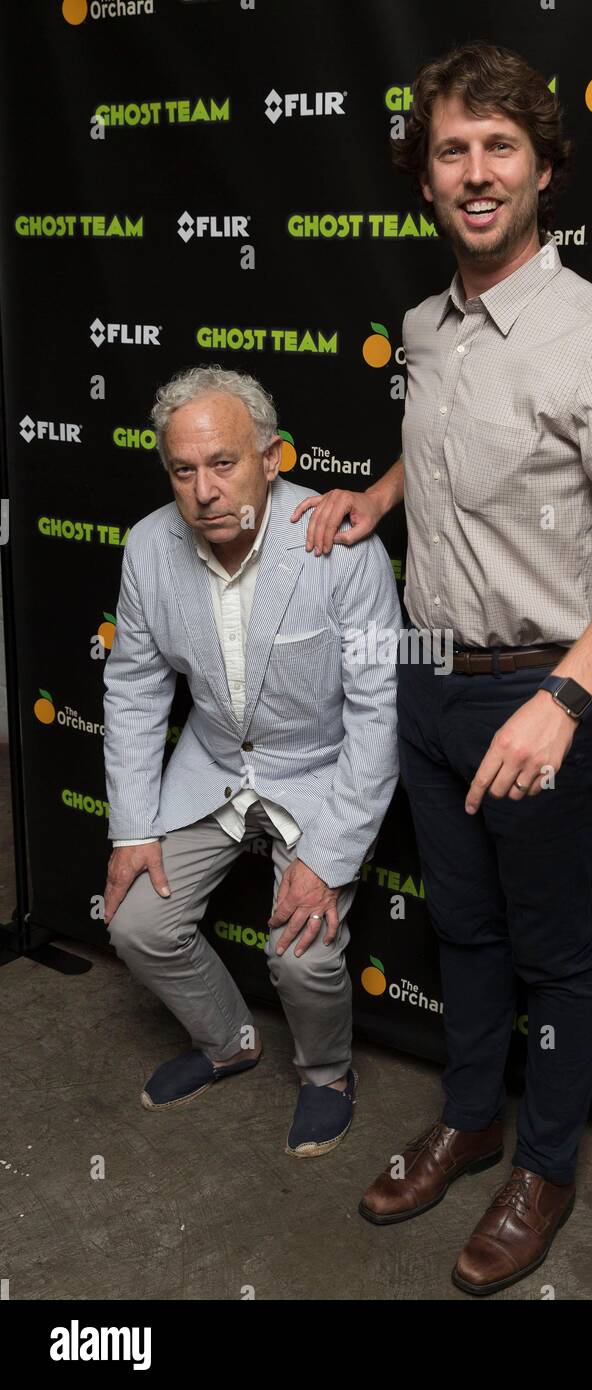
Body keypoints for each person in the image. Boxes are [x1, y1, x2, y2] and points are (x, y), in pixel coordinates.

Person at [291, 41, 592, 1290]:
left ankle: (546, 1164)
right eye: (451, 150)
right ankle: (471, 1120)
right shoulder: (428, 322)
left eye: (499, 149)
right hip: (428, 679)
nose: (474, 173)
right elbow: (464, 442)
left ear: (541, 169)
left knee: (550, 950)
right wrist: (381, 489)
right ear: (425, 175)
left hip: (540, 694)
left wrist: (564, 698)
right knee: (461, 930)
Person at [102, 365, 401, 1157]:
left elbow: (378, 716)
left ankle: (327, 1074)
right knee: (133, 921)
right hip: (211, 767)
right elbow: (134, 690)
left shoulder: (340, 548)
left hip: (318, 773)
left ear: (272, 459)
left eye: (224, 463)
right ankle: (229, 1039)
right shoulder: (146, 549)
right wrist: (131, 828)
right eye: (183, 469)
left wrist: (330, 857)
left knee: (299, 958)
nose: (203, 490)